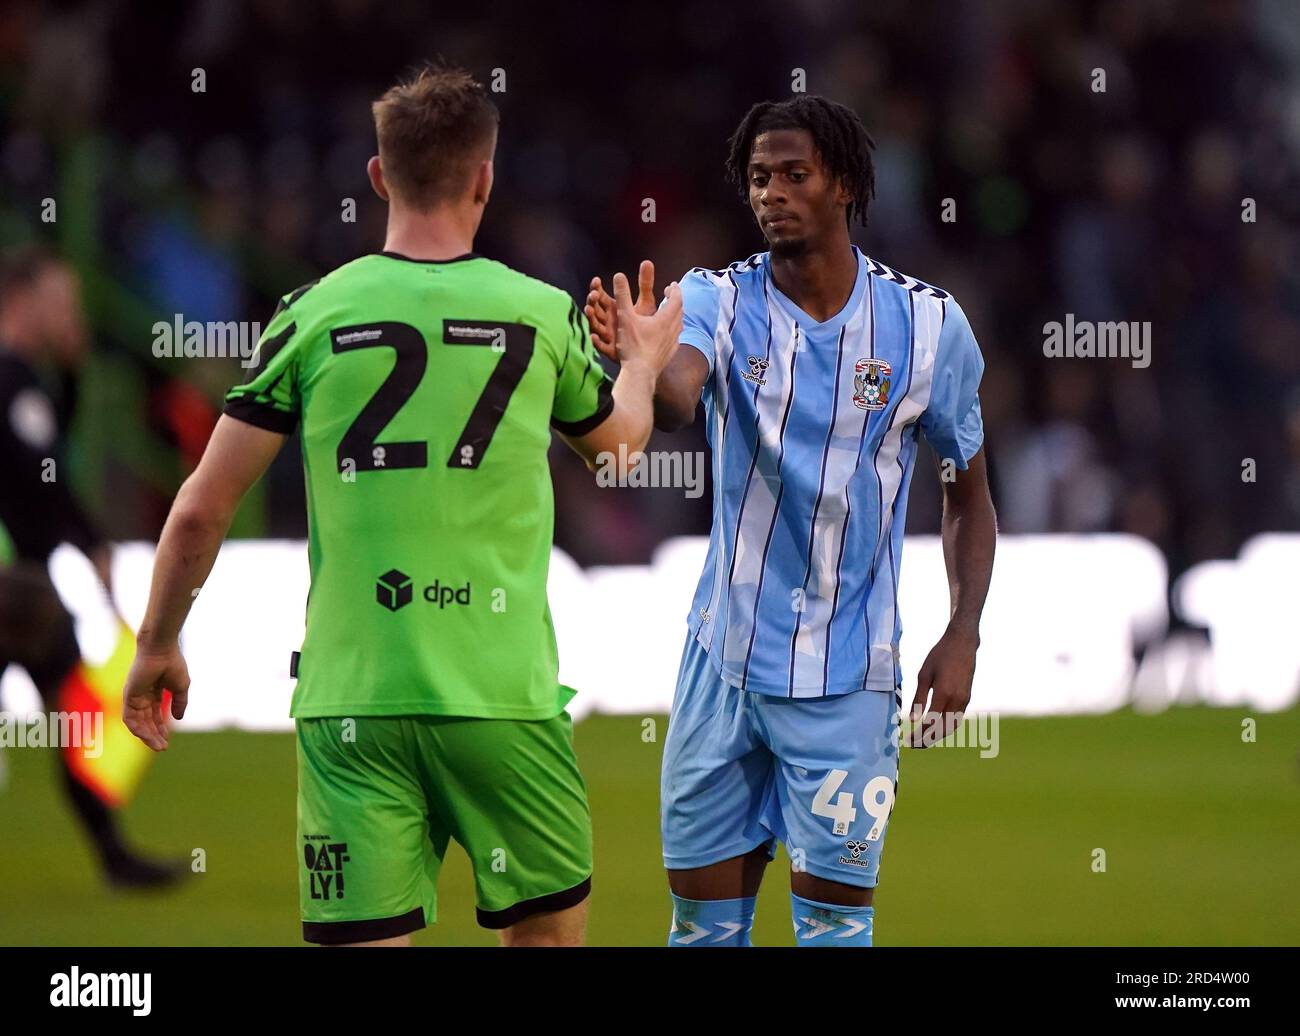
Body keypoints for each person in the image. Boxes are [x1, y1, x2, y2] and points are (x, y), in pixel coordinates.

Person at [122, 63, 682, 947]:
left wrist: (157, 641)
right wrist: (643, 362)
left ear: (379, 177)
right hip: (503, 703)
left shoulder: (310, 314)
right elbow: (619, 451)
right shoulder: (536, 312)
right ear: (485, 180)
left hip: (355, 705)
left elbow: (200, 509)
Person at [586, 96, 998, 946]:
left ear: (843, 183)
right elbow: (676, 400)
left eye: (793, 175)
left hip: (847, 682)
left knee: (834, 936)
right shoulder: (718, 300)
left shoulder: (927, 328)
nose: (771, 193)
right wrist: (644, 359)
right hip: (723, 672)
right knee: (702, 934)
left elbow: (968, 490)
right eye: (759, 178)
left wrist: (964, 630)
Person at [0, 244, 185, 888]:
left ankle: (113, 856)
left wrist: (75, 376)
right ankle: (113, 857)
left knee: (74, 710)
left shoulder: (25, 382)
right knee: (75, 712)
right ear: (25, 302)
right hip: (12, 588)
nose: (73, 315)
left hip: (21, 584)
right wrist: (92, 541)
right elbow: (38, 477)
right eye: (62, 303)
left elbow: (44, 460)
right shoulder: (9, 378)